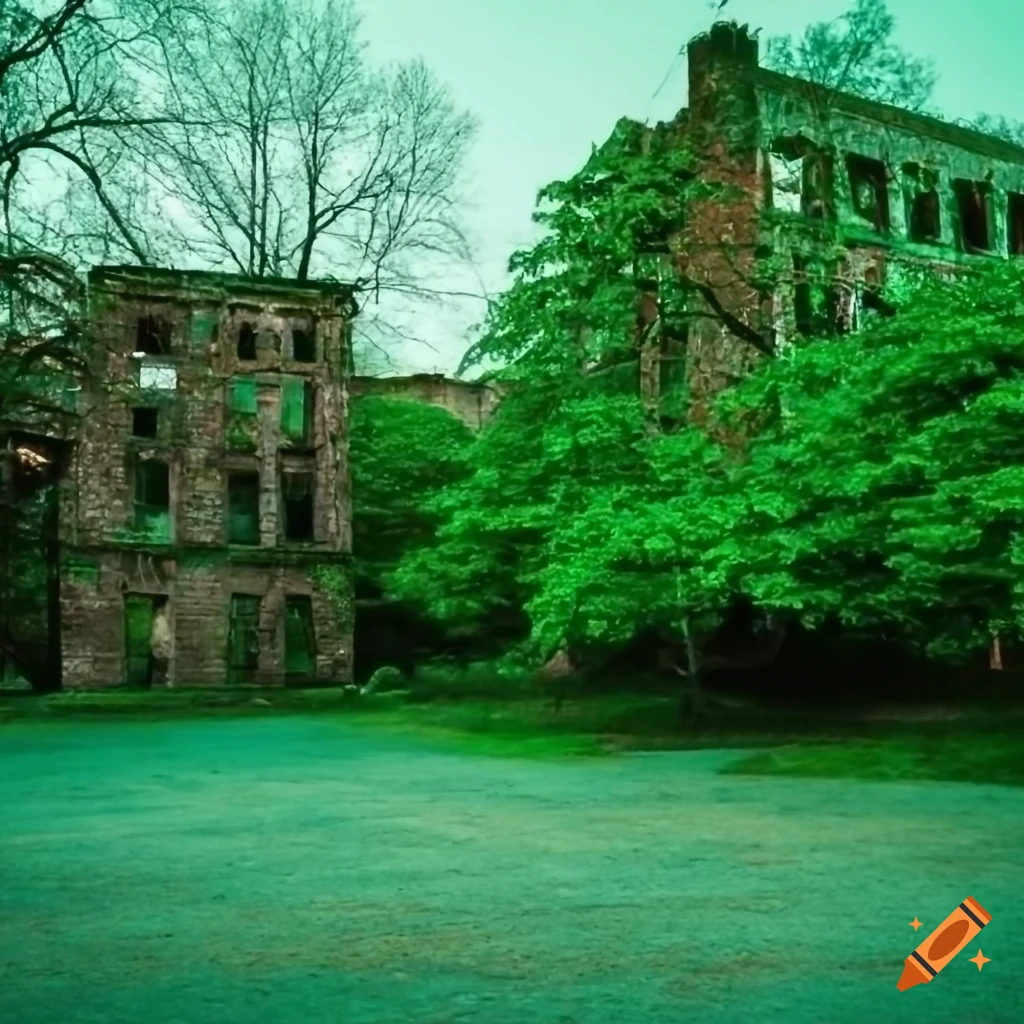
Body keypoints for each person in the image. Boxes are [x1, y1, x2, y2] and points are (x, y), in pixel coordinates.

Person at [150, 600, 172, 687]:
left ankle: (162, 679)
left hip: (162, 644)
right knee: (159, 662)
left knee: (163, 661)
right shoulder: (159, 620)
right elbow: (158, 633)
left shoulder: (161, 620)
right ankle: (159, 680)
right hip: (160, 644)